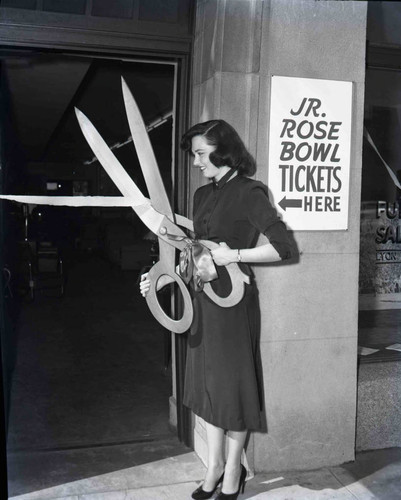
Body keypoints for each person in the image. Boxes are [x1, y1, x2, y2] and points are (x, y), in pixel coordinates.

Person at [140, 119, 293, 499]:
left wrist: (232, 255)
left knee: (232, 392)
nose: (196, 162)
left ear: (223, 150)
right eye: (194, 155)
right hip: (202, 304)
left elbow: (284, 246)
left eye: (201, 154)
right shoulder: (200, 196)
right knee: (208, 390)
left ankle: (231, 472)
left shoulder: (250, 192)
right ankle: (215, 465)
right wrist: (161, 279)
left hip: (234, 304)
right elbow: (193, 254)